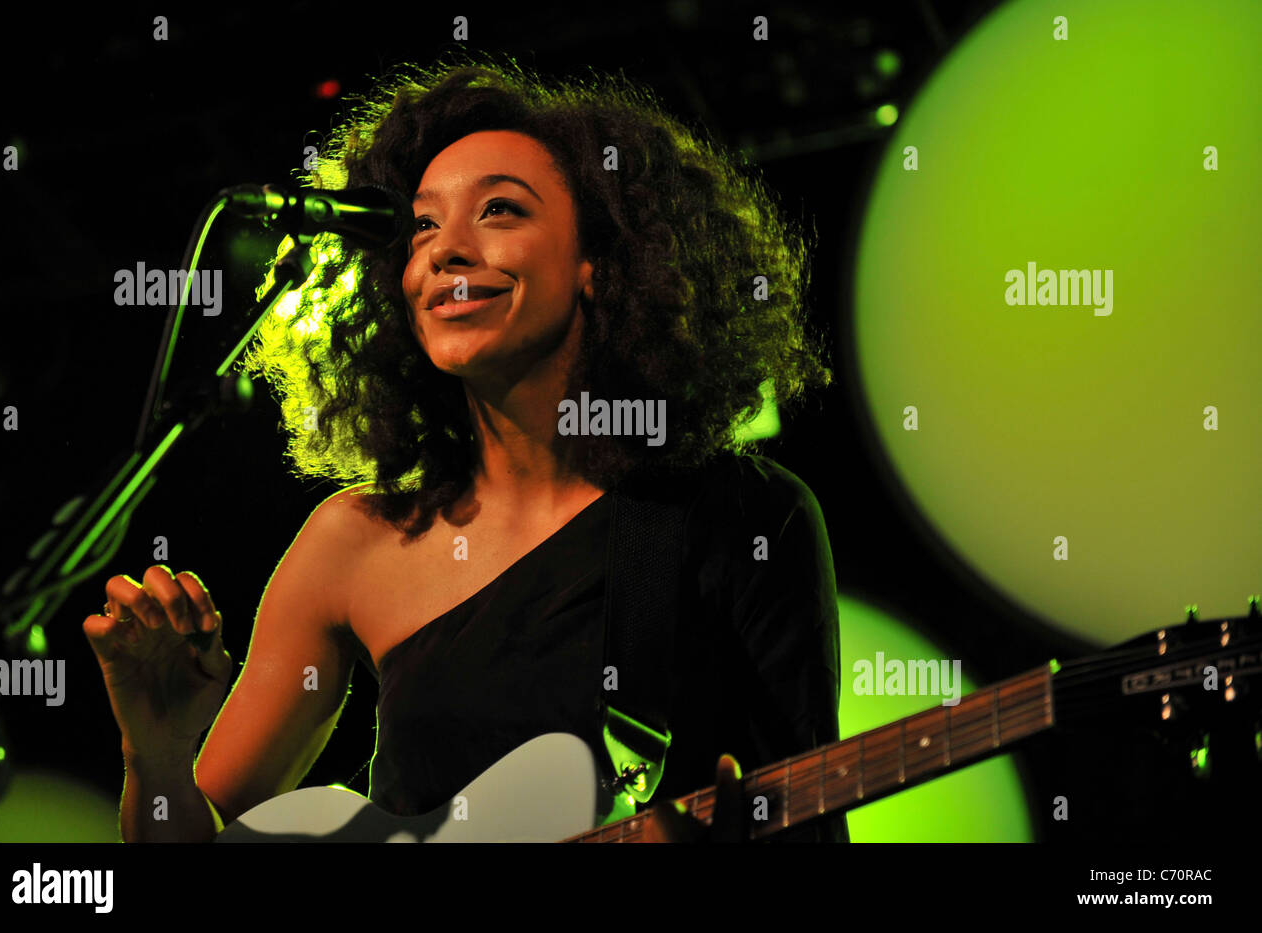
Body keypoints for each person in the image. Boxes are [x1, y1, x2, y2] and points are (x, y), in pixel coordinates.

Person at [83, 53, 845, 843]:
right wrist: (158, 754)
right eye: (421, 225)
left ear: (601, 261)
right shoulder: (353, 541)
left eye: (501, 211)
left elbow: (812, 822)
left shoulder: (743, 515)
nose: (444, 250)